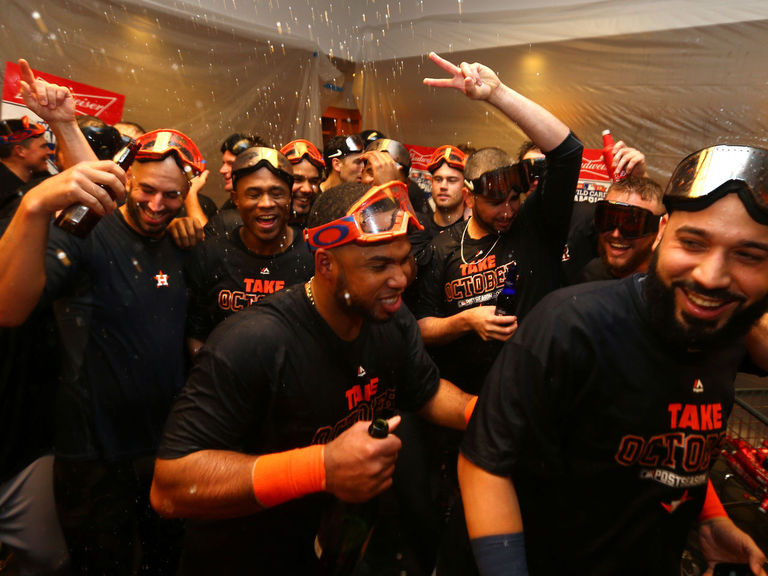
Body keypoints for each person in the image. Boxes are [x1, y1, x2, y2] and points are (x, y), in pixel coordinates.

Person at [458, 144, 768, 575]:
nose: (711, 276)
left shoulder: (730, 331)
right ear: (662, 234)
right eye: (693, 242)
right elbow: (485, 460)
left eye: (749, 255)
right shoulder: (569, 323)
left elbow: (674, 444)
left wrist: (710, 518)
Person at [150, 180, 476, 575]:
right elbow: (169, 487)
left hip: (335, 546)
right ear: (326, 265)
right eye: (379, 266)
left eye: (404, 259)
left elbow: (425, 391)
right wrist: (320, 468)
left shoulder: (389, 315)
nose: (401, 280)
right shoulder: (254, 341)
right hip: (247, 556)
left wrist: (484, 414)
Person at [0, 108, 206, 574]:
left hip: (165, 447)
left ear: (189, 190)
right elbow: (8, 307)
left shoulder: (184, 240)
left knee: (164, 559)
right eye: (147, 190)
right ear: (126, 177)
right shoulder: (84, 230)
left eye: (172, 195)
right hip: (93, 451)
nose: (156, 204)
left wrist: (190, 218)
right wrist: (34, 207)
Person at [417, 52, 583, 394]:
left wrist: (497, 93)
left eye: (514, 198)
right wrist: (466, 320)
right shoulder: (442, 246)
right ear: (468, 197)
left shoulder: (535, 226)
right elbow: (420, 327)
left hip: (536, 388)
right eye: (495, 203)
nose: (508, 210)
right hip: (465, 399)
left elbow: (567, 151)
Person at [185, 146, 314, 355]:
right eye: (253, 194)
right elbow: (196, 333)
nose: (266, 204)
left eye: (277, 193)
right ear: (236, 199)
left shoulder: (312, 255)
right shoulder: (211, 254)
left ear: (289, 197)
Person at [577, 176, 665, 282]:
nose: (616, 234)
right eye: (609, 221)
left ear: (658, 229)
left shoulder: (667, 287)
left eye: (631, 224)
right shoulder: (590, 275)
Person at [0, 115, 50, 214]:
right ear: (20, 151)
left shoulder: (43, 178)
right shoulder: (3, 193)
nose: (49, 151)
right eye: (43, 147)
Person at [280, 138, 325, 226]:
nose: (307, 189)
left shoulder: (321, 223)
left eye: (313, 181)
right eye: (297, 180)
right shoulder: (266, 227)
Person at [426, 144, 469, 232]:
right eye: (438, 179)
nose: (443, 186)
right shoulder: (419, 228)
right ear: (431, 183)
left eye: (452, 180)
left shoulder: (470, 233)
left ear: (465, 186)